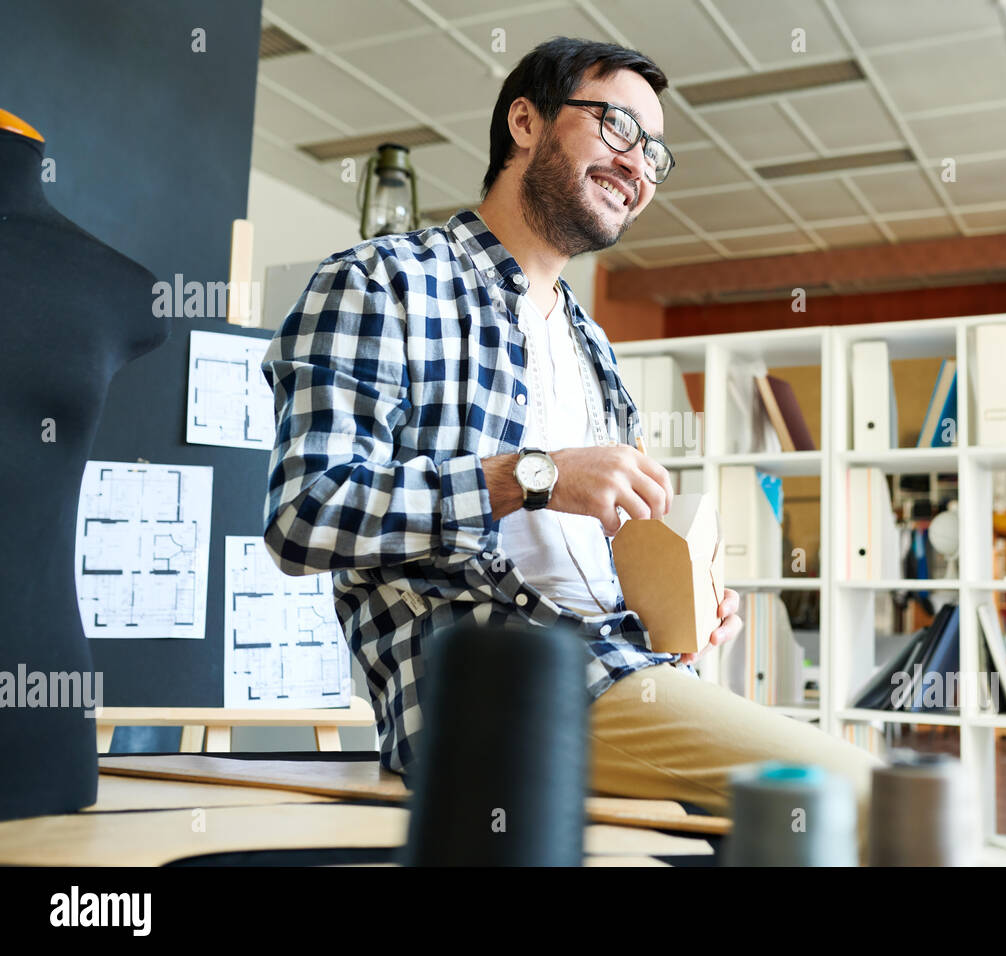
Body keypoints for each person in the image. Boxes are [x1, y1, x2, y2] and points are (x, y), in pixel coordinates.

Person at [262, 36, 880, 862]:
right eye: (619, 128)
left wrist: (682, 598)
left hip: (626, 662)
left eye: (656, 153)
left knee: (778, 842)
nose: (641, 166)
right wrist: (534, 475)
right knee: (865, 799)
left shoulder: (594, 347)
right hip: (496, 688)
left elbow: (585, 546)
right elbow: (306, 515)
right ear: (525, 121)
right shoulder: (382, 282)